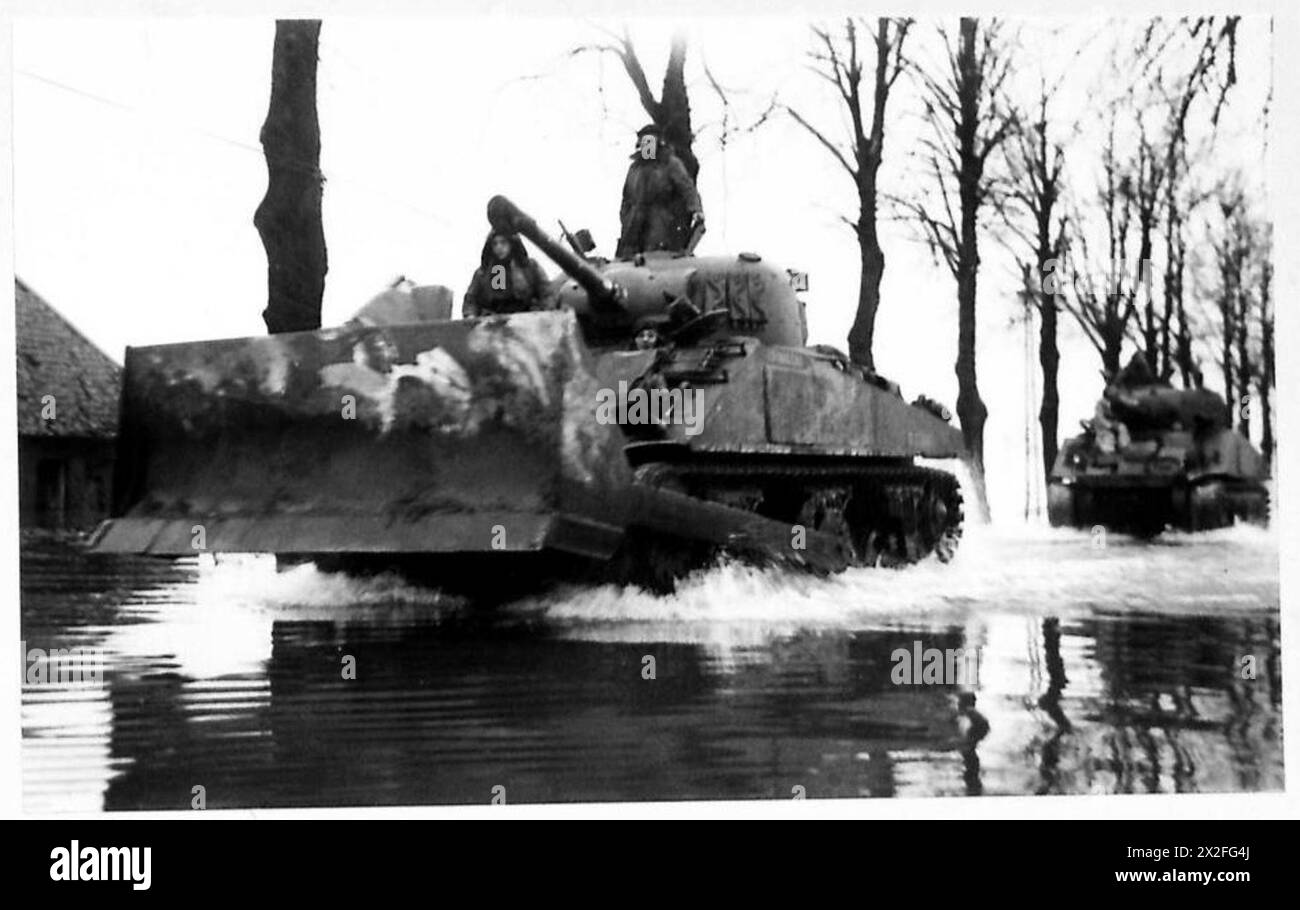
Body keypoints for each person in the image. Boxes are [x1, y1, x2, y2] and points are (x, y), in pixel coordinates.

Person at [616, 124, 704, 258]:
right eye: (643, 142)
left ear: (658, 143)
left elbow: (687, 188)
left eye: (650, 141)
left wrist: (696, 210)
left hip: (660, 220)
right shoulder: (635, 169)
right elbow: (626, 198)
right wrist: (625, 219)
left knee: (657, 258)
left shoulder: (670, 164)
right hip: (634, 223)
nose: (647, 146)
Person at [462, 230, 553, 317]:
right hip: (492, 324)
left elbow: (547, 294)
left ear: (512, 244)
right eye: (495, 244)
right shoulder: (483, 272)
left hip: (526, 321)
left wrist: (545, 314)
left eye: (503, 242)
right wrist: (471, 316)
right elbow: (471, 300)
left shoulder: (530, 267)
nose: (499, 247)